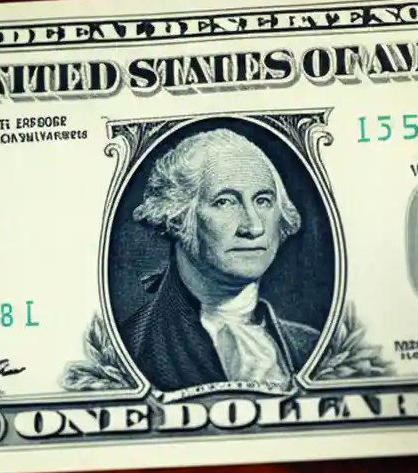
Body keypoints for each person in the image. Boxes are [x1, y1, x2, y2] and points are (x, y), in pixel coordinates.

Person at [118, 127, 320, 391]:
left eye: (263, 200)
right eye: (225, 202)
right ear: (176, 217)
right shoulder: (128, 349)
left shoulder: (310, 345)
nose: (254, 227)